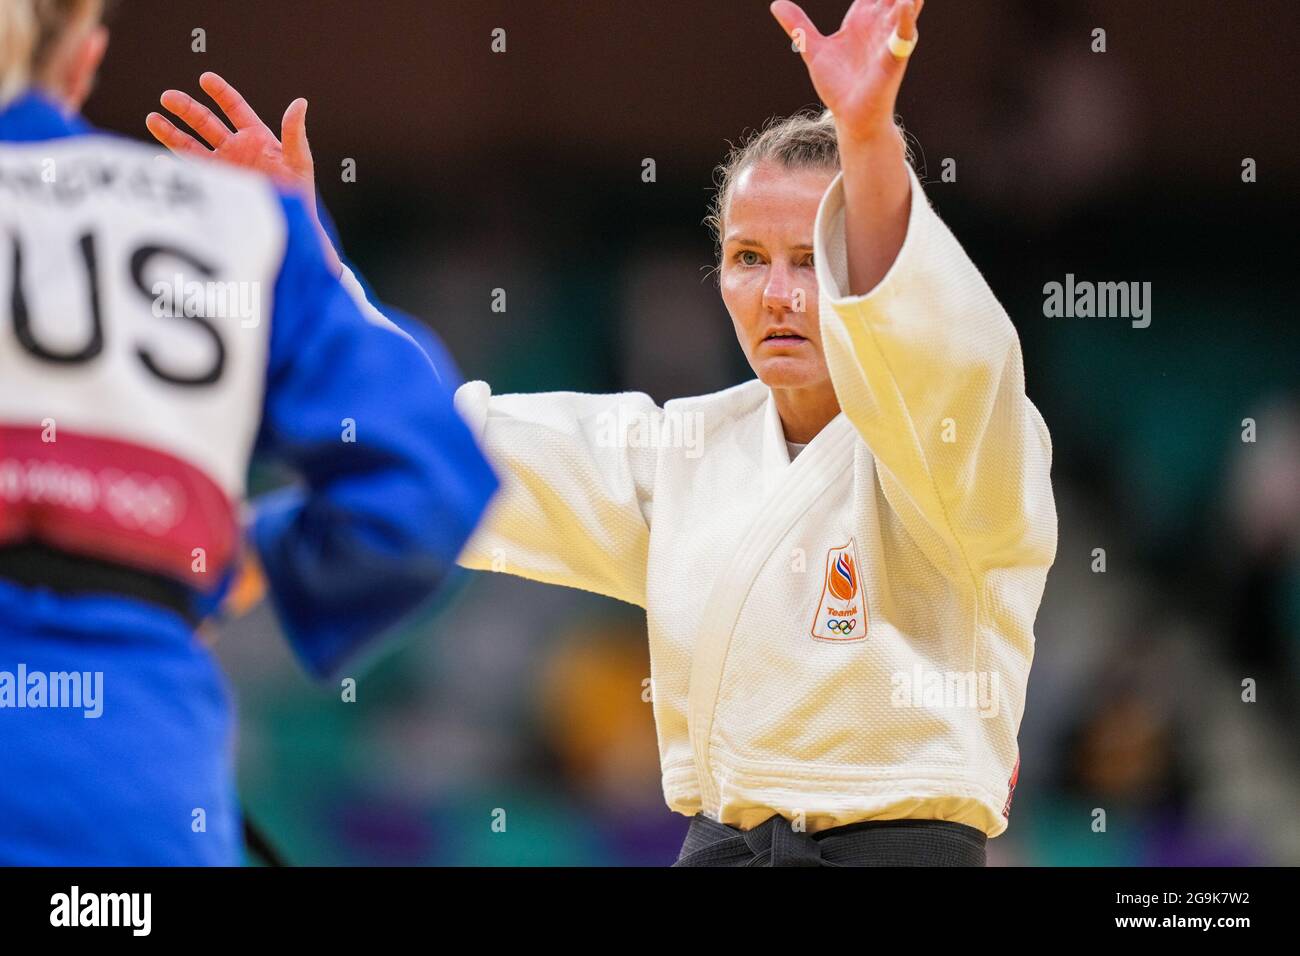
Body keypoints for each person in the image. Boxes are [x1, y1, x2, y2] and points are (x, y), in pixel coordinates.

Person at [152, 0, 1058, 866]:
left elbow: (946, 360)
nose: (777, 295)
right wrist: (307, 265)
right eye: (747, 259)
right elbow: (455, 441)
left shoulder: (972, 450)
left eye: (811, 261)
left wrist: (868, 144)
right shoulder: (684, 453)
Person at [0, 0, 497, 865]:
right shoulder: (229, 223)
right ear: (83, 59)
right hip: (128, 793)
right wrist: (236, 560)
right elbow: (431, 488)